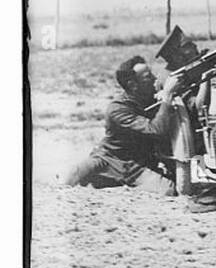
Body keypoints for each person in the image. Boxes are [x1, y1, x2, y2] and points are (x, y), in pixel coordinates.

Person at [64, 55, 180, 195]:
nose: (155, 79)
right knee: (73, 176)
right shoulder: (117, 109)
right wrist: (167, 97)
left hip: (138, 165)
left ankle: (116, 182)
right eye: (148, 77)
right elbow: (156, 129)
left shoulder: (149, 97)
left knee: (169, 190)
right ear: (133, 85)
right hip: (109, 160)